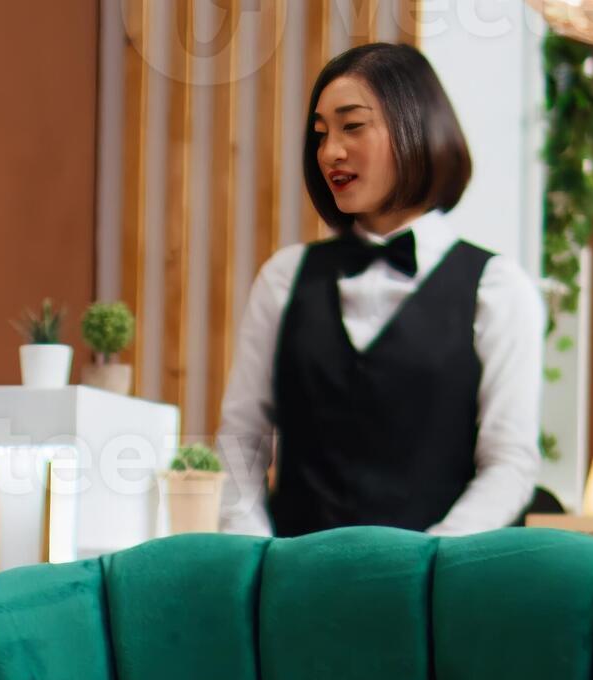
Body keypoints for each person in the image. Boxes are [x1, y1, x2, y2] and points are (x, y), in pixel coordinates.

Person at [213, 42, 543, 537]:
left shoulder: (497, 289)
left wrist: (429, 564)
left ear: (416, 127)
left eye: (352, 126)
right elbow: (241, 443)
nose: (330, 152)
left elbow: (510, 462)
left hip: (434, 591)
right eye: (320, 133)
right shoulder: (283, 277)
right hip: (294, 584)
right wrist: (257, 560)